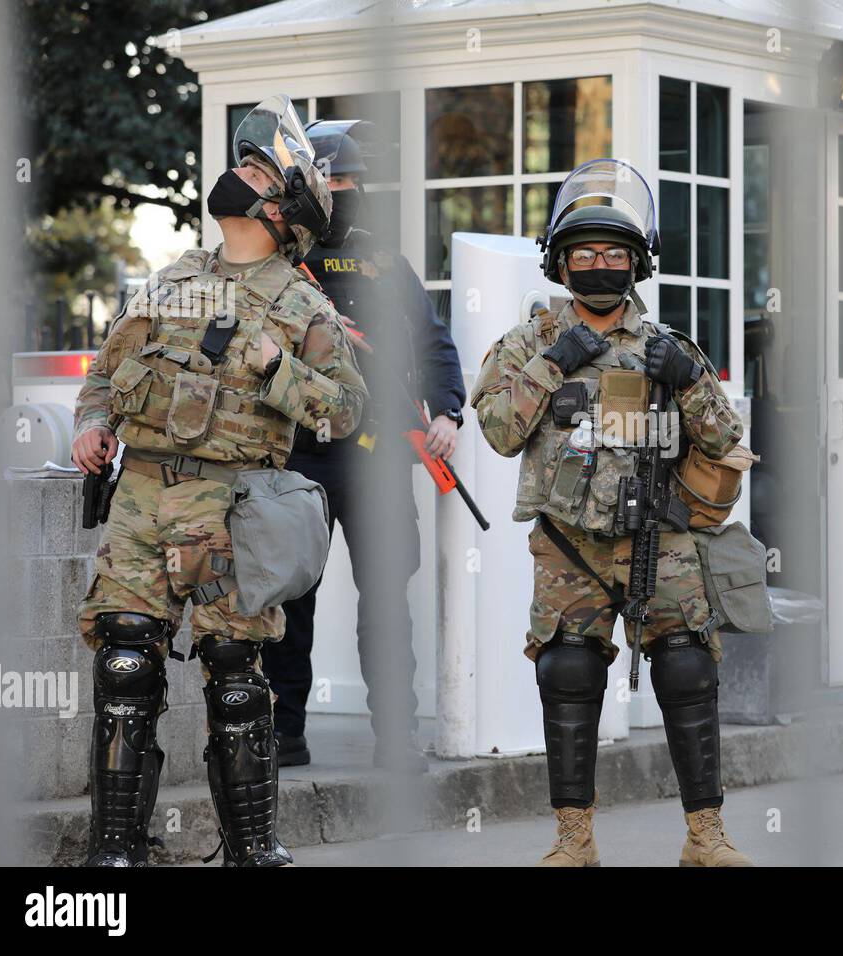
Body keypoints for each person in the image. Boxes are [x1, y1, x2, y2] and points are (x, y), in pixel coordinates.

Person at [70, 95, 367, 866]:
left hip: (234, 507)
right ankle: (115, 853)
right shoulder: (168, 281)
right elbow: (103, 373)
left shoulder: (304, 303)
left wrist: (279, 368)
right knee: (125, 661)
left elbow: (345, 409)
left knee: (236, 677)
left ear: (282, 207)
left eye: (256, 170)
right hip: (140, 496)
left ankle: (252, 851)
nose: (237, 175)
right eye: (242, 162)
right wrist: (90, 425)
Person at [469, 159, 751, 866]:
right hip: (571, 543)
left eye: (615, 254)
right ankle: (575, 839)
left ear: (638, 265)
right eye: (585, 254)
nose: (600, 265)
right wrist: (554, 363)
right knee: (567, 673)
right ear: (560, 265)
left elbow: (726, 440)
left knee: (688, 671)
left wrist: (688, 381)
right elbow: (500, 432)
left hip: (664, 537)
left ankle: (705, 837)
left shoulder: (673, 350)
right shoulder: (527, 344)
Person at [260, 118, 466, 771]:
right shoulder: (275, 266)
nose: (346, 189)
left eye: (354, 179)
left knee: (385, 602)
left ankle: (396, 739)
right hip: (296, 450)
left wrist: (450, 412)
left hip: (375, 455)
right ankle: (283, 732)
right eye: (334, 179)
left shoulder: (387, 262)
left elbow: (433, 344)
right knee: (290, 598)